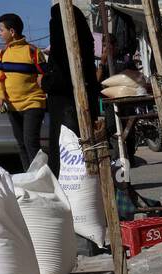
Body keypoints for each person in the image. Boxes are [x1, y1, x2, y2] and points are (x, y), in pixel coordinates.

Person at [42, 0, 100, 177]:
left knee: (66, 153)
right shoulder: (85, 42)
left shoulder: (65, 45)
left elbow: (60, 78)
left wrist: (44, 82)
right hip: (83, 100)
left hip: (66, 107)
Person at [0, 13, 46, 172]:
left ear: (12, 31)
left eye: (1, 30)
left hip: (33, 103)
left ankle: (41, 178)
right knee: (21, 144)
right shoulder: (2, 54)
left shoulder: (32, 52)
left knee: (31, 143)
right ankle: (28, 177)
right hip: (12, 107)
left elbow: (43, 74)